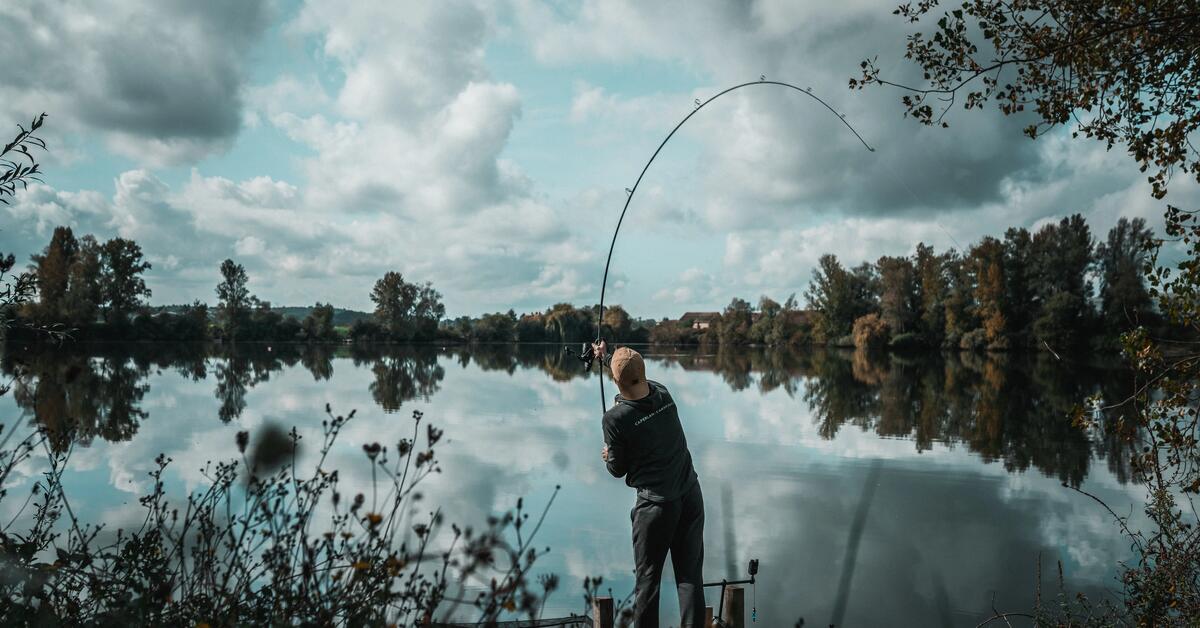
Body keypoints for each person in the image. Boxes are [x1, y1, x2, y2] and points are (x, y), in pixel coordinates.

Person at [592, 340, 705, 628]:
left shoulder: (614, 419)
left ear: (616, 381)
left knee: (648, 583)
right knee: (690, 577)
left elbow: (617, 470)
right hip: (690, 495)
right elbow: (632, 381)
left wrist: (609, 454)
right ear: (644, 373)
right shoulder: (663, 393)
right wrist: (606, 359)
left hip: (656, 508)